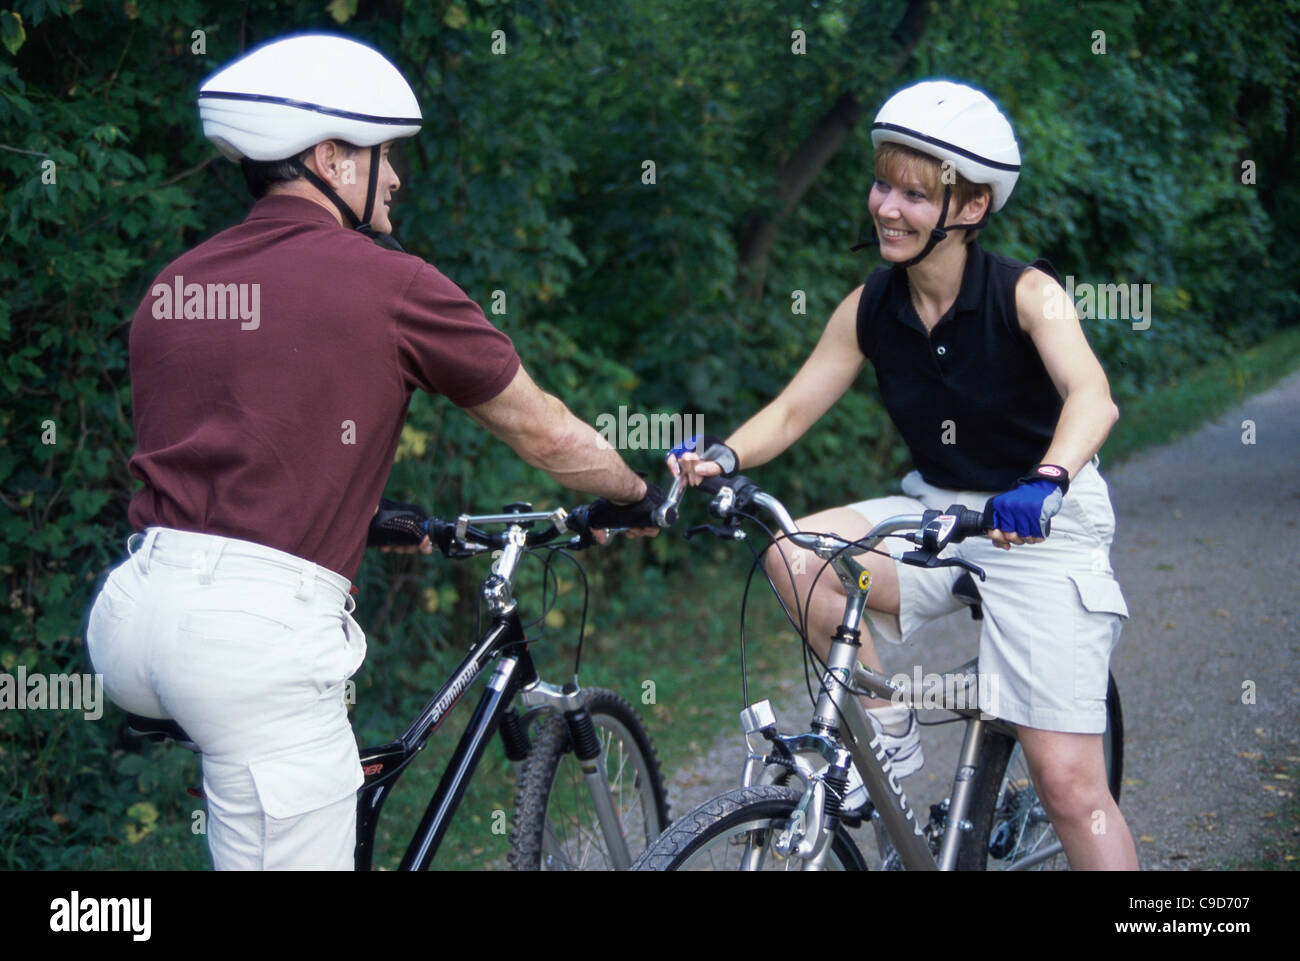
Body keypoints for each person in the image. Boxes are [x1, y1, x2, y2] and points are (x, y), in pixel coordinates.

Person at [86, 33, 664, 870]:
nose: (395, 177)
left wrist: (360, 515)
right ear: (328, 157)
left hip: (133, 610)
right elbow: (547, 432)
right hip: (250, 640)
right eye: (382, 154)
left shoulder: (174, 287)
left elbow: (231, 457)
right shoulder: (391, 282)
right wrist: (631, 490)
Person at [670, 79, 1138, 869]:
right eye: (882, 184)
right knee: (794, 552)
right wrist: (723, 456)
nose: (886, 206)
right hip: (937, 511)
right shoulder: (869, 306)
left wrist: (1048, 477)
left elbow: (1094, 396)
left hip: (1042, 520)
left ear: (971, 208)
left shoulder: (1029, 292)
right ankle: (888, 733)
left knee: (1070, 788)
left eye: (914, 195)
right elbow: (789, 413)